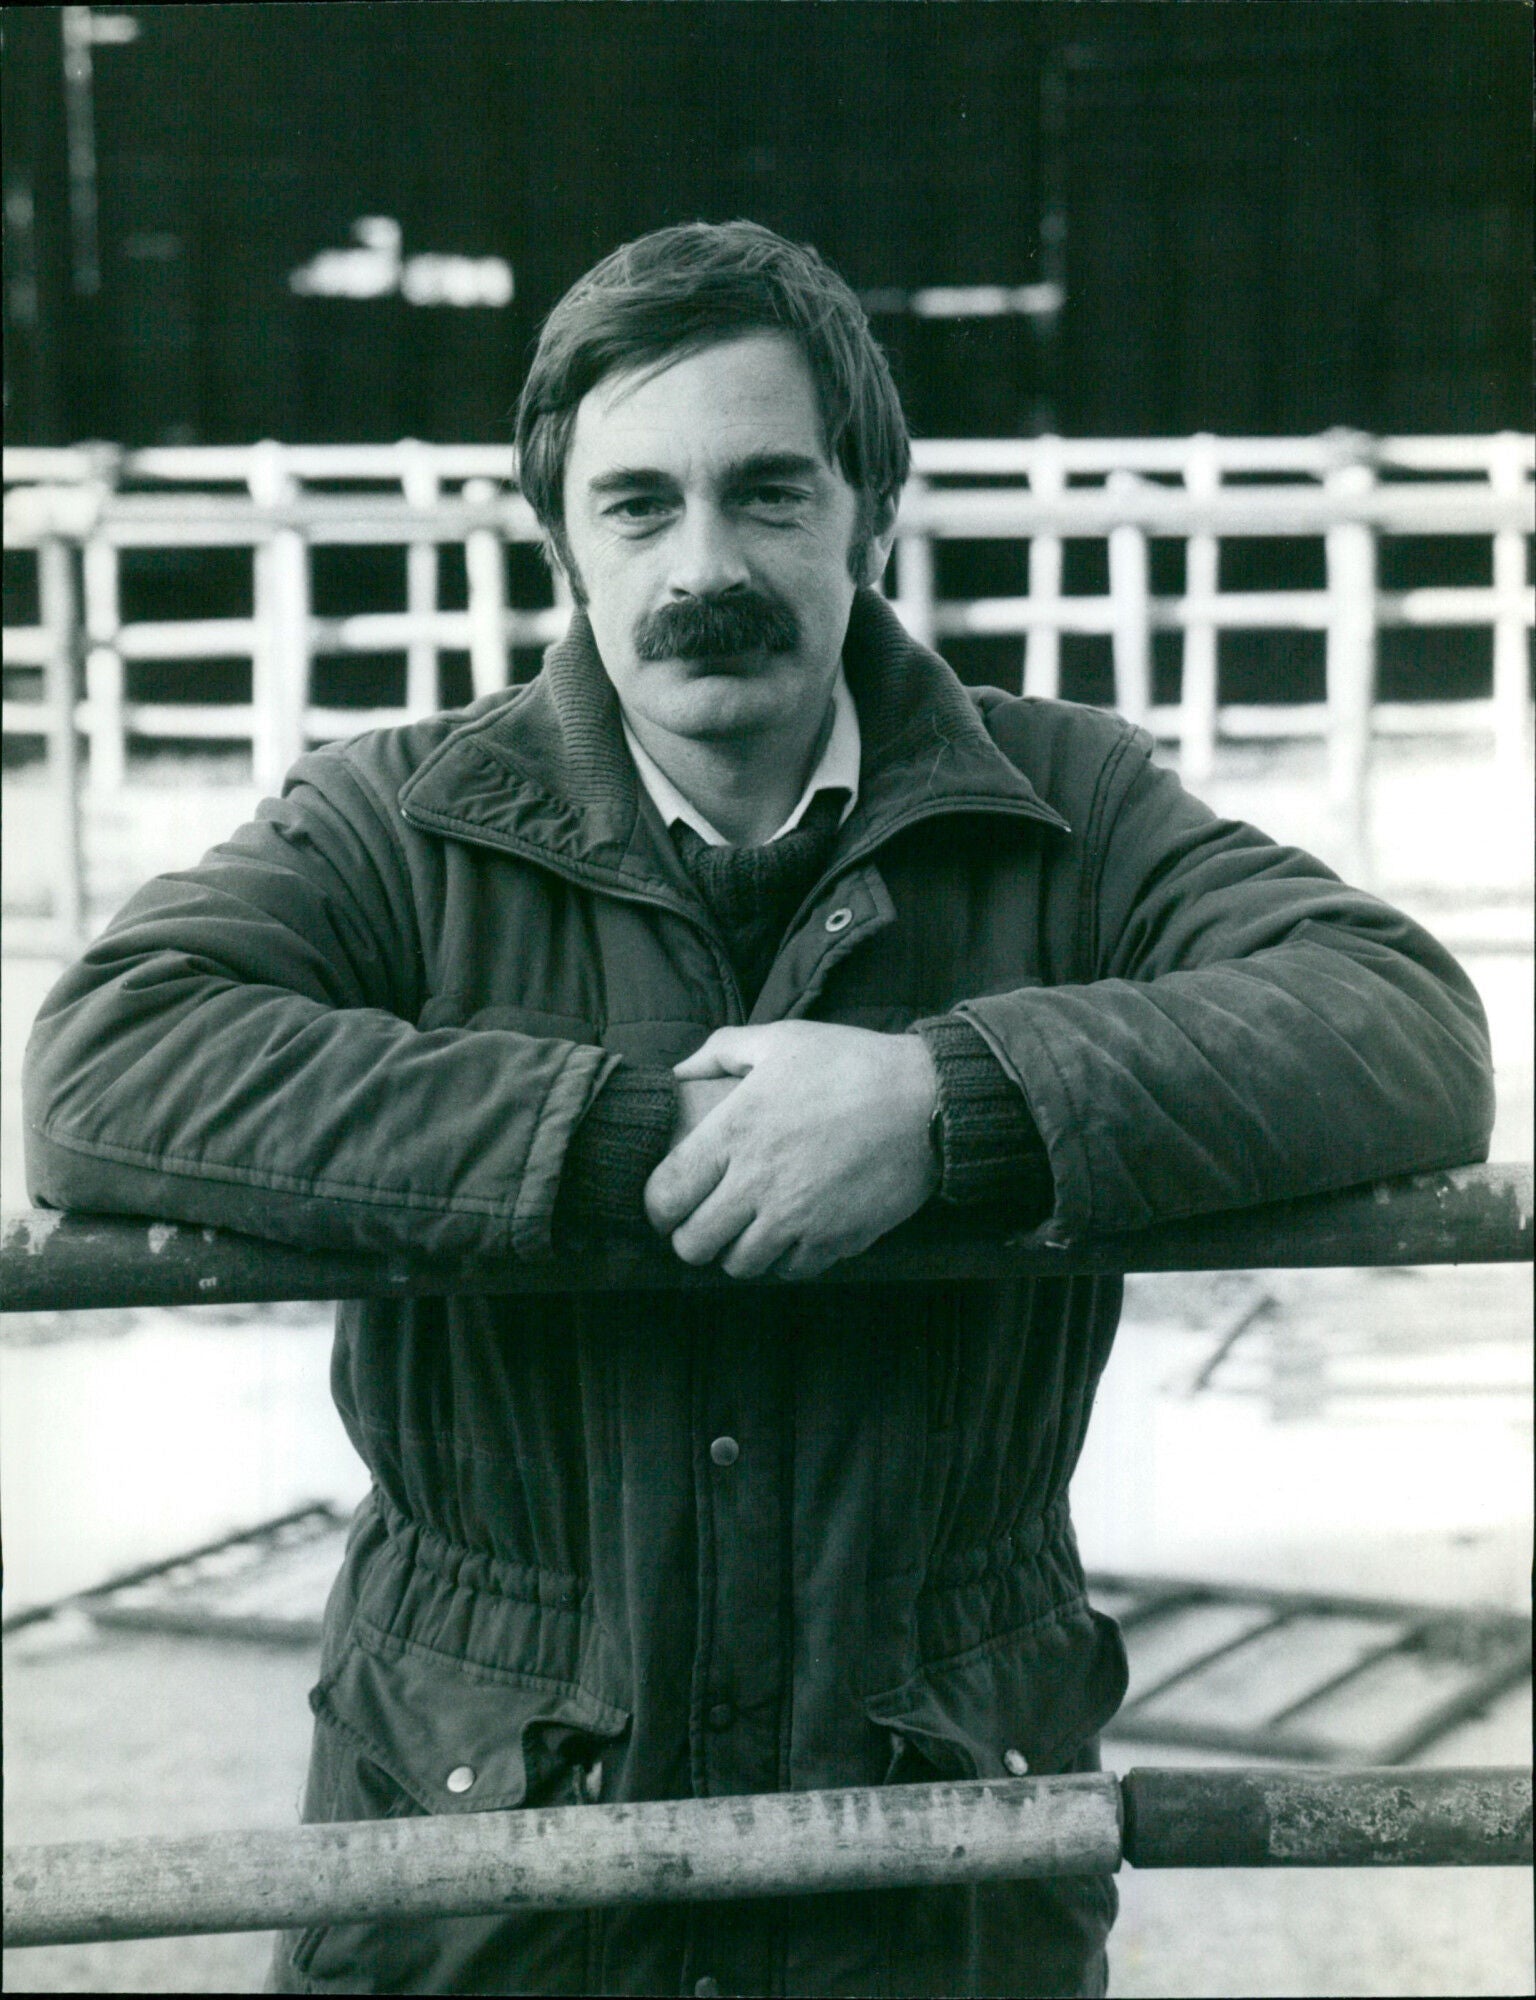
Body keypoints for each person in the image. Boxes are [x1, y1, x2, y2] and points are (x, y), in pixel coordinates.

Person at [23, 221, 1493, 1999]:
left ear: (875, 503)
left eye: (768, 495)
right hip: (491, 1828)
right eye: (637, 505)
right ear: (556, 533)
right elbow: (110, 1058)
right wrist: (627, 1141)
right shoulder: (396, 821)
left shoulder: (1068, 804)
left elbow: (1403, 1024)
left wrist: (944, 1107)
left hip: (937, 1818)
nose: (700, 566)